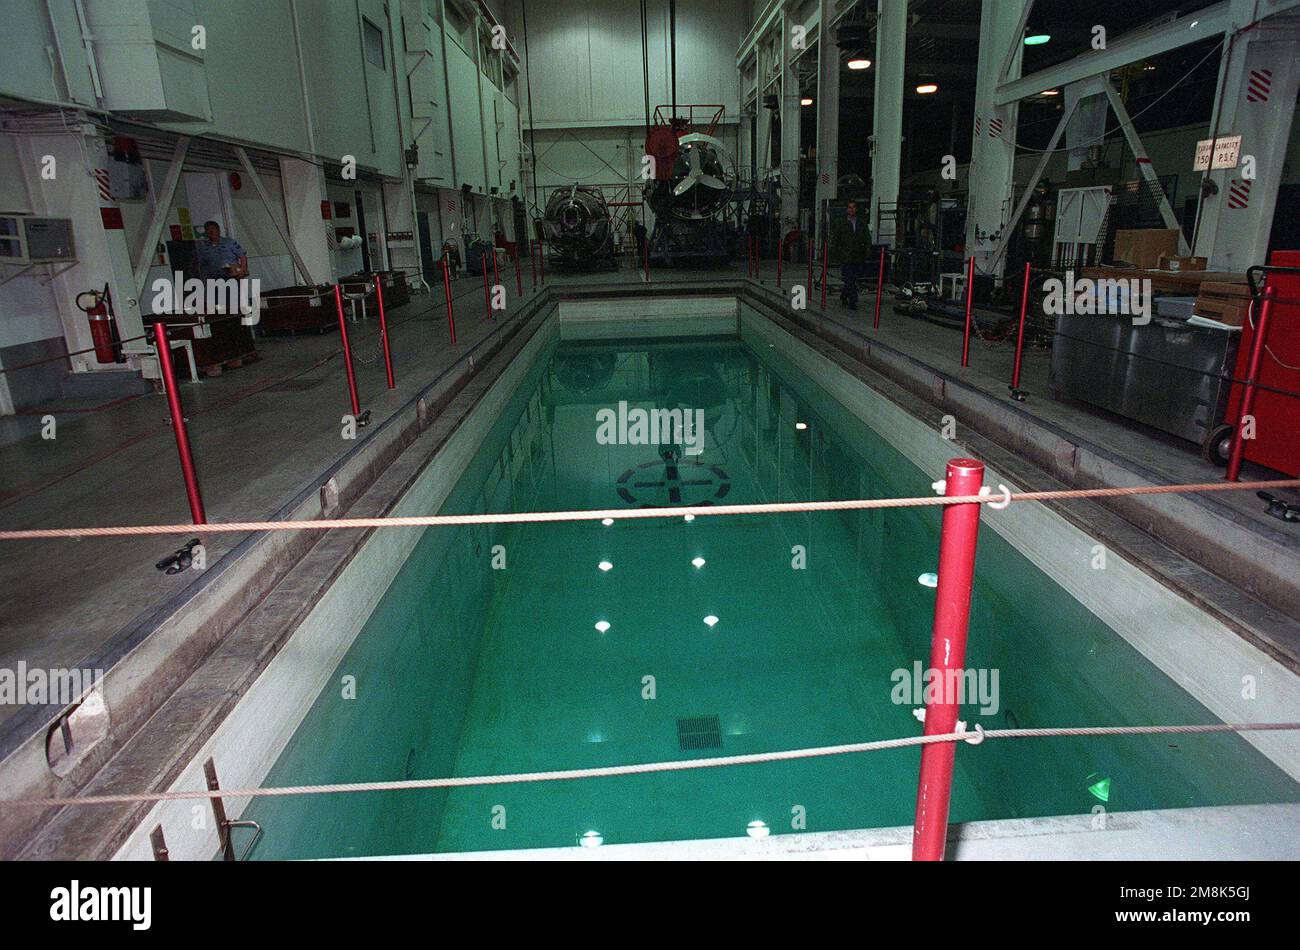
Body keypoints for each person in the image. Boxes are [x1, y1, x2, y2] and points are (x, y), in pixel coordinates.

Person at [830, 199, 872, 309]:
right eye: (849, 207)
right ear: (847, 209)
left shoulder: (861, 223)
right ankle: (853, 300)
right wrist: (835, 253)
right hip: (846, 256)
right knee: (849, 277)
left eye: (853, 207)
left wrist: (867, 250)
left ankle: (844, 295)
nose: (851, 209)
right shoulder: (841, 223)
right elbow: (836, 239)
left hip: (858, 255)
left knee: (853, 278)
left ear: (856, 209)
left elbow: (867, 237)